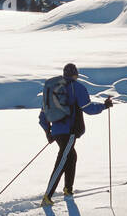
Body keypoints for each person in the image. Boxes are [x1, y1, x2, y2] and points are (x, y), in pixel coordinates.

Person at [39, 63, 111, 205]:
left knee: (71, 156)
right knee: (63, 160)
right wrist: (104, 105)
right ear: (75, 74)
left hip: (58, 132)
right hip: (70, 131)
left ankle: (68, 189)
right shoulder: (77, 87)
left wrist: (48, 132)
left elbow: (43, 116)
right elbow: (89, 108)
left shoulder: (53, 89)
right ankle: (47, 196)